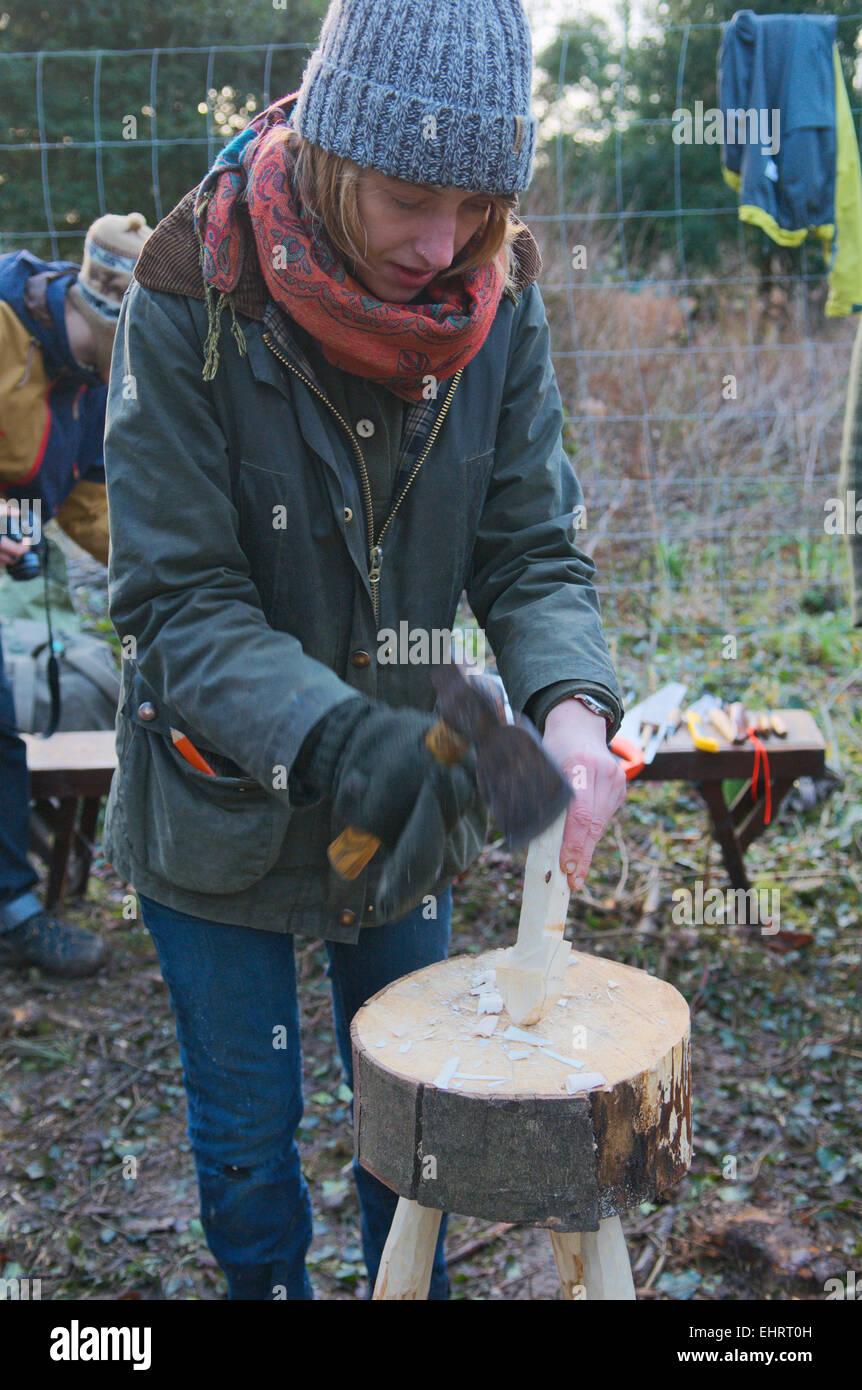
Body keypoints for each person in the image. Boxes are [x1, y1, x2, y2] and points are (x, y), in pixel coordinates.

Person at [101, 0, 627, 1299]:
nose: (444, 246)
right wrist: (340, 740)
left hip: (401, 806)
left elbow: (529, 548)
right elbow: (176, 601)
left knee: (417, 1125)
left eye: (478, 204)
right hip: (217, 795)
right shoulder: (188, 291)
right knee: (246, 1141)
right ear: (334, 155)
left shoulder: (496, 303)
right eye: (408, 199)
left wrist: (565, 702)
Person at [0, 212, 152, 977]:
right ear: (88, 313)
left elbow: (87, 506)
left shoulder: (88, 381)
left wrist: (166, 571)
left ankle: (16, 913)